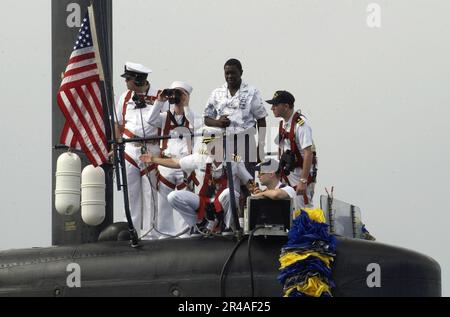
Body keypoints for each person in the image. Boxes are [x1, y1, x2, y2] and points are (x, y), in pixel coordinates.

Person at [139, 133, 255, 235]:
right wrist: (153, 159)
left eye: (213, 144)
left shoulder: (234, 160)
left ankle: (227, 225)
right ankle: (199, 224)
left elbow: (248, 181)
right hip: (205, 203)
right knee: (173, 196)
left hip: (224, 204)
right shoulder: (201, 158)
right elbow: (177, 162)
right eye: (208, 144)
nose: (210, 148)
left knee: (230, 193)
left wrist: (258, 192)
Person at [115, 61, 168, 238]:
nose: (126, 82)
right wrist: (117, 145)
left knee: (150, 193)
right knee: (131, 195)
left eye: (128, 79)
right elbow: (118, 123)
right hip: (130, 148)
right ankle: (132, 232)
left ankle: (151, 233)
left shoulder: (159, 97)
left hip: (151, 148)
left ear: (137, 79)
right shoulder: (124, 98)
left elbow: (168, 124)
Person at [144, 81, 200, 238]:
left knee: (184, 200)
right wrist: (159, 101)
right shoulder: (164, 117)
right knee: (163, 203)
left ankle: (185, 232)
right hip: (166, 164)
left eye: (179, 94)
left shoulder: (193, 116)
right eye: (174, 93)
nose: (176, 97)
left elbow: (196, 125)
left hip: (185, 164)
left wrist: (186, 104)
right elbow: (150, 120)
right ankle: (165, 233)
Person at [203, 58, 267, 165]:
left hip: (245, 142)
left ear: (241, 72)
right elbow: (206, 119)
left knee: (246, 178)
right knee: (224, 178)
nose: (230, 76)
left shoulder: (251, 92)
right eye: (227, 73)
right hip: (223, 141)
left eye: (233, 73)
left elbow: (261, 119)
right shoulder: (217, 92)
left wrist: (260, 147)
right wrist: (218, 122)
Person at [266, 90, 318, 209]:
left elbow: (308, 153)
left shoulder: (301, 125)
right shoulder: (282, 123)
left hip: (300, 173)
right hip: (288, 173)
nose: (272, 108)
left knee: (302, 210)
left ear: (286, 106)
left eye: (275, 105)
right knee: (286, 210)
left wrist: (303, 181)